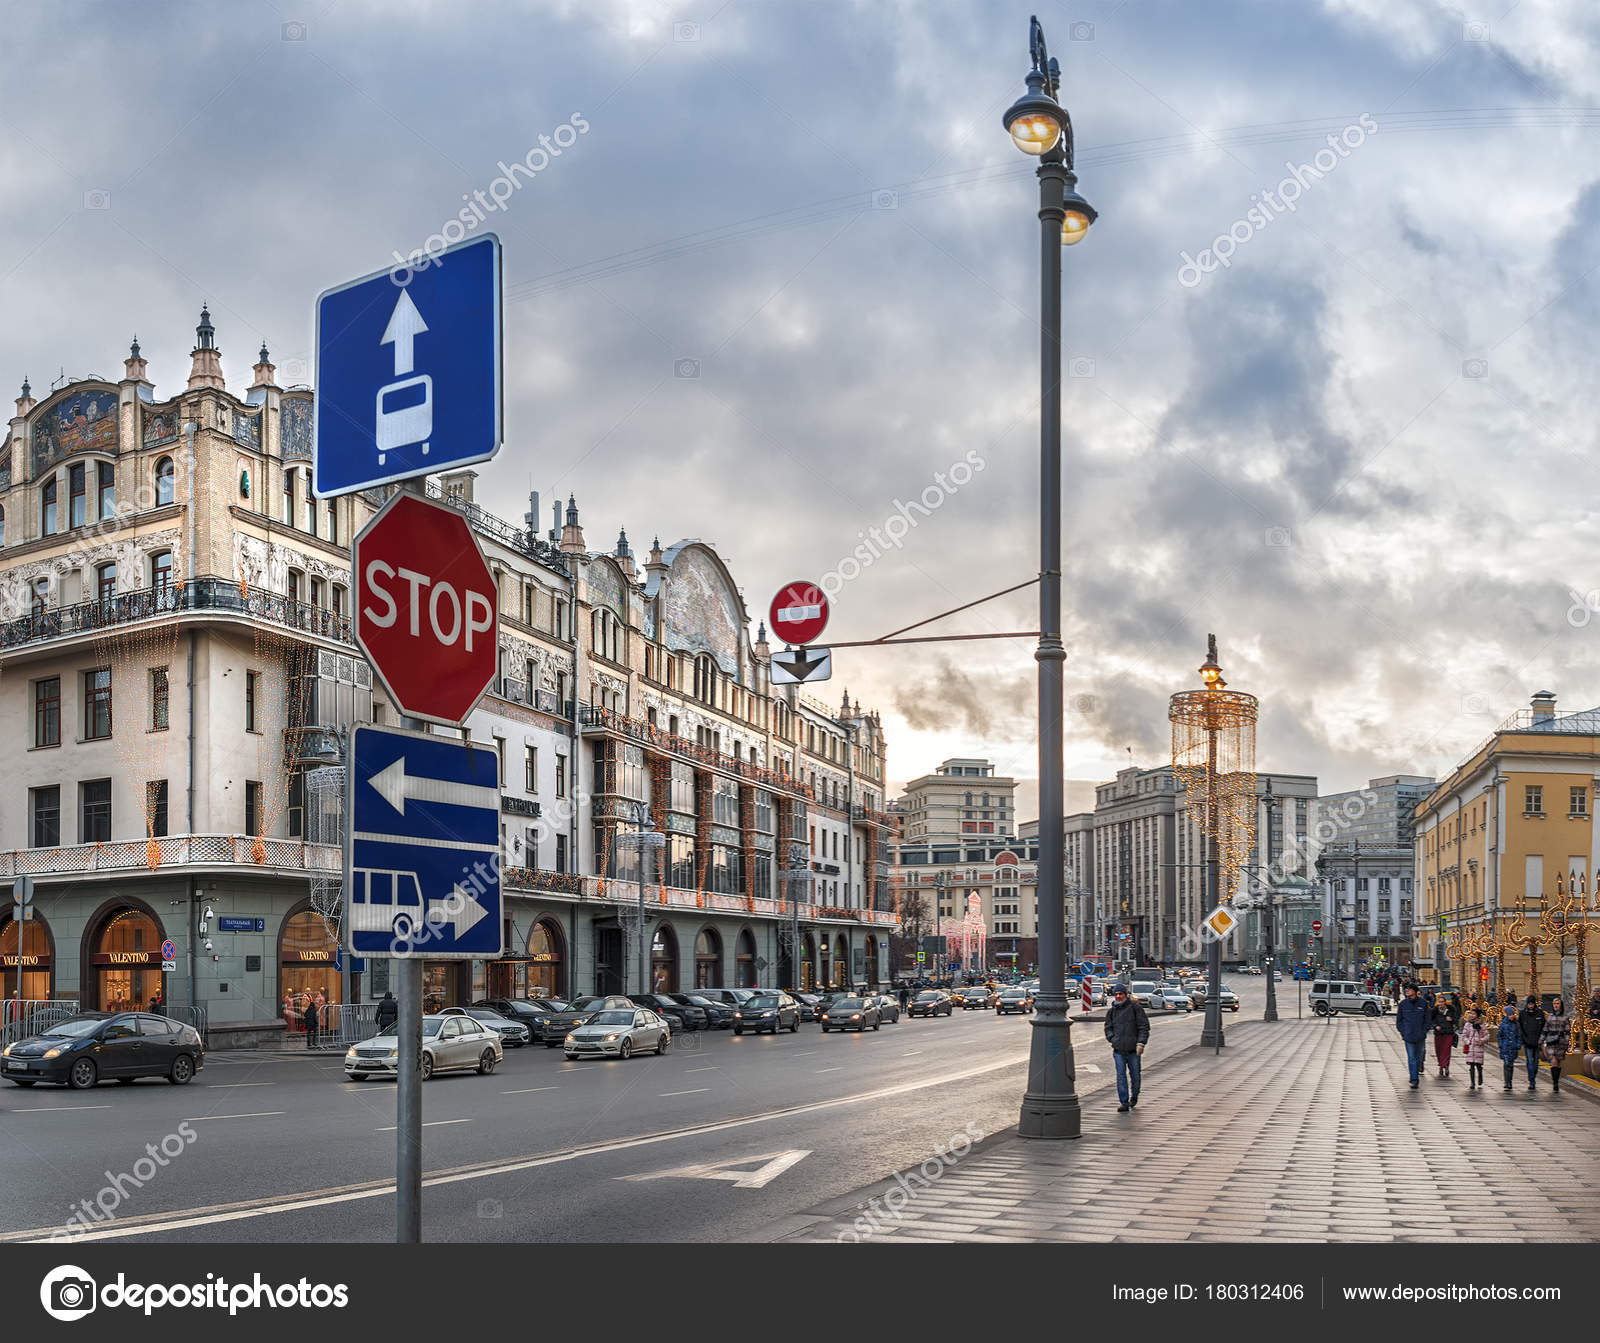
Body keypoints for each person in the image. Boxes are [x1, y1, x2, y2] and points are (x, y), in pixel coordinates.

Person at [1103, 983, 1150, 1113]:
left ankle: (1134, 1097)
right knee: (1121, 1076)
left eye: (1120, 994)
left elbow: (1143, 1027)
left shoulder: (1135, 1008)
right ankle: (1124, 1102)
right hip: (1118, 1050)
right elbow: (1108, 1028)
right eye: (1116, 994)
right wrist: (1112, 1039)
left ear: (1125, 994)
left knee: (1135, 1076)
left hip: (1133, 1050)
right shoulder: (1112, 1011)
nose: (1118, 996)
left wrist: (1141, 1043)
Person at [1396, 983, 1431, 1089]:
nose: (1407, 991)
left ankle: (1415, 1073)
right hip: (1409, 1036)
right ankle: (1414, 1079)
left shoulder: (1423, 1004)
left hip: (1420, 1035)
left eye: (1410, 990)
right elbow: (1399, 1021)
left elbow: (1427, 1019)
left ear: (1415, 992)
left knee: (1419, 1058)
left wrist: (1424, 1030)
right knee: (1411, 1058)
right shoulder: (1403, 1004)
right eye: (1407, 990)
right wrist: (1403, 1031)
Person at [1516, 994, 1546, 1092]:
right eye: (1529, 1004)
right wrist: (1522, 1039)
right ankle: (1532, 1081)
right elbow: (1520, 1027)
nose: (1531, 1006)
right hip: (1527, 1041)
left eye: (1532, 1004)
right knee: (1529, 1062)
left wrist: (1541, 1039)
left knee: (1536, 1062)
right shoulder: (1523, 1014)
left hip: (1537, 1042)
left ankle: (1533, 1076)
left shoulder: (1540, 1014)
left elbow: (1543, 1027)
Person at [1541, 996, 1570, 1096]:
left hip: (1561, 1042)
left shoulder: (1565, 1017)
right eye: (1554, 1004)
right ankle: (1555, 1083)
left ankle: (1556, 1080)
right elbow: (1545, 1030)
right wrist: (1541, 1041)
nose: (1556, 1005)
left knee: (1558, 1062)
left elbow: (1567, 1031)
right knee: (1553, 1061)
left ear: (1560, 1005)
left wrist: (1567, 1042)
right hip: (1551, 1041)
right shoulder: (1549, 1016)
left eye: (1557, 1004)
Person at [1459, 1008, 1487, 1091]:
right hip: (1471, 1047)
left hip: (1478, 1047)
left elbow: (1486, 1035)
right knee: (1471, 1066)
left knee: (1478, 1065)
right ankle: (1472, 1083)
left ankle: (1480, 1076)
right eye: (1471, 1013)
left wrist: (1481, 1041)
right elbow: (1464, 1035)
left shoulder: (1482, 1025)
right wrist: (1468, 1042)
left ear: (1478, 1015)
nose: (1472, 1015)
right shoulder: (1468, 1024)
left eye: (1474, 1013)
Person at [1496, 1002, 1522, 1091]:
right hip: (1505, 1047)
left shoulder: (1516, 1024)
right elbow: (1500, 1035)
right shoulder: (1503, 1024)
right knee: (1506, 1064)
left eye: (1512, 1014)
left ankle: (1510, 1081)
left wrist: (1518, 1044)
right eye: (1510, 1014)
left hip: (1513, 1047)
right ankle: (1507, 1082)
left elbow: (1519, 1035)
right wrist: (1501, 1045)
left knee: (1510, 1065)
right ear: (1507, 1015)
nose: (1511, 1016)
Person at [1431, 996, 1457, 1078]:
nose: (1441, 1003)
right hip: (1439, 1033)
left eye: (1442, 1002)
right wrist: (1435, 1026)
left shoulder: (1450, 1010)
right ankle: (1441, 1066)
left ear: (1445, 1002)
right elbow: (1431, 1021)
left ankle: (1446, 1066)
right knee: (1439, 1051)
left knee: (1446, 1051)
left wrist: (1451, 1019)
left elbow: (1456, 1019)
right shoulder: (1435, 1011)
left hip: (1448, 1033)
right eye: (1440, 1002)